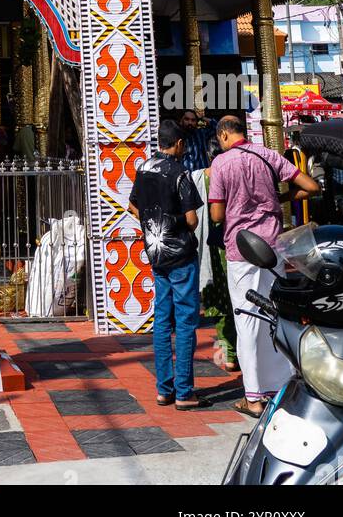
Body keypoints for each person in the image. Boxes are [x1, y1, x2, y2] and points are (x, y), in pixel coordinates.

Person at [209, 114, 319, 416]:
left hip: (241, 250)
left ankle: (253, 397)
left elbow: (217, 215)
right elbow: (311, 185)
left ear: (222, 135)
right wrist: (278, 196)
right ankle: (280, 388)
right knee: (274, 316)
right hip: (272, 248)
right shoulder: (269, 156)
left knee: (247, 322)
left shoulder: (221, 163)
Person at [128, 119, 202, 409]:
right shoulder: (180, 172)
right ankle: (184, 392)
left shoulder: (143, 168)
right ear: (179, 144)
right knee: (185, 321)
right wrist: (173, 224)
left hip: (156, 253)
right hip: (181, 253)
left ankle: (164, 389)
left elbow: (132, 206)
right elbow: (193, 220)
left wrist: (152, 223)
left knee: (162, 320)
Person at [178, 108, 216, 173]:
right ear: (182, 120)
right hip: (185, 176)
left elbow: (217, 127)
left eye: (193, 120)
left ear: (197, 122)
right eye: (187, 119)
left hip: (202, 176)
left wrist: (202, 118)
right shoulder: (177, 135)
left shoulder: (201, 134)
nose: (190, 122)